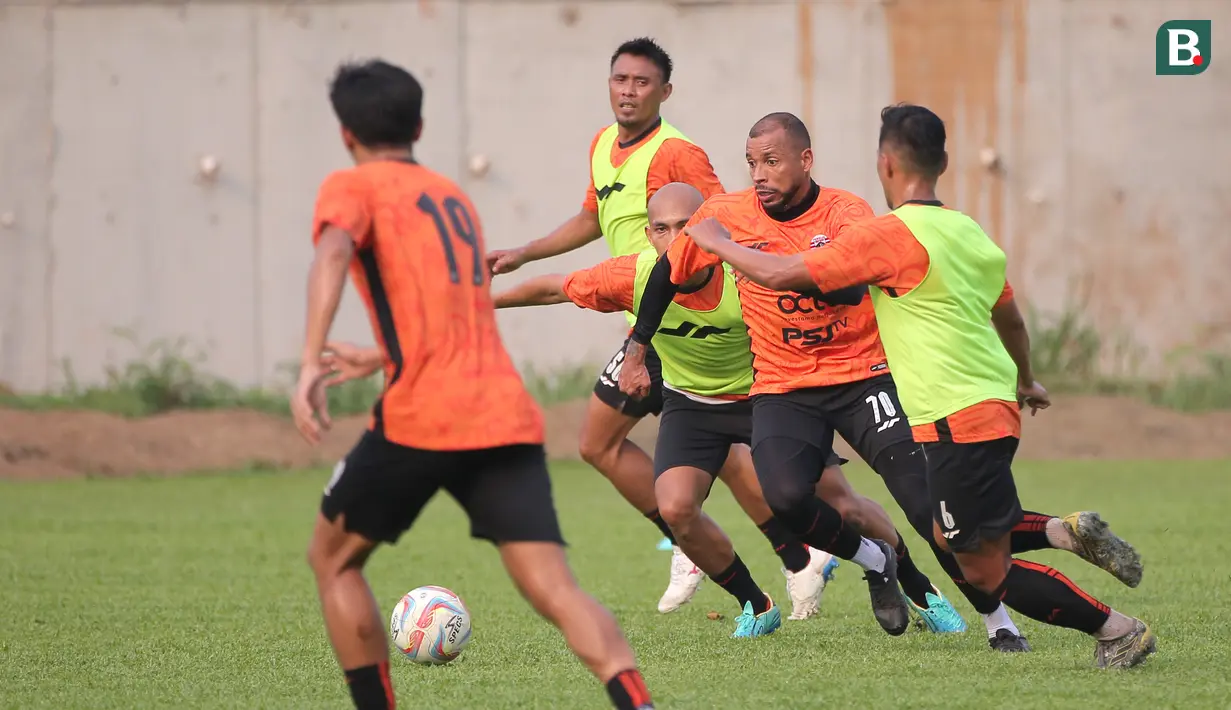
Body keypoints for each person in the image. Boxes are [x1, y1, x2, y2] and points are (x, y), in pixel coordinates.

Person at [680, 103, 1155, 669]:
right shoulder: (967, 229)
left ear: (884, 166)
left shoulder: (881, 233)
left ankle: (1108, 627)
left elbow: (787, 275)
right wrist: (1027, 378)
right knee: (946, 526)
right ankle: (1060, 533)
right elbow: (1011, 318)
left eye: (771, 161)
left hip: (940, 409)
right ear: (944, 163)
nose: (758, 173)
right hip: (989, 404)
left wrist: (716, 240)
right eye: (751, 162)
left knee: (976, 557)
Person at [289, 59, 655, 710]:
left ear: (345, 134)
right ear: (420, 126)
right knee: (555, 590)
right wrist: (382, 355)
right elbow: (451, 309)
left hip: (422, 415)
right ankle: (637, 701)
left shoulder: (351, 186)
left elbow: (331, 256)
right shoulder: (451, 198)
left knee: (333, 561)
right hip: (504, 413)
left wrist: (310, 358)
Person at [494, 182, 942, 632]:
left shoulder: (743, 271)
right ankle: (756, 604)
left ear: (709, 229)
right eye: (661, 229)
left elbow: (818, 291)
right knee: (676, 508)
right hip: (693, 407)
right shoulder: (635, 276)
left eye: (685, 227)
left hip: (767, 397)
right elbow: (554, 289)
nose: (674, 239)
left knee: (842, 504)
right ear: (649, 236)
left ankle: (920, 588)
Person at [485, 37, 726, 613]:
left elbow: (722, 225)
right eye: (621, 79)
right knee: (602, 443)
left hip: (688, 317)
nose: (628, 90)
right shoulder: (602, 144)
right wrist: (526, 252)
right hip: (644, 317)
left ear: (664, 91)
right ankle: (732, 540)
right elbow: (592, 218)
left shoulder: (678, 153)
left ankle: (802, 545)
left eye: (642, 82)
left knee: (731, 447)